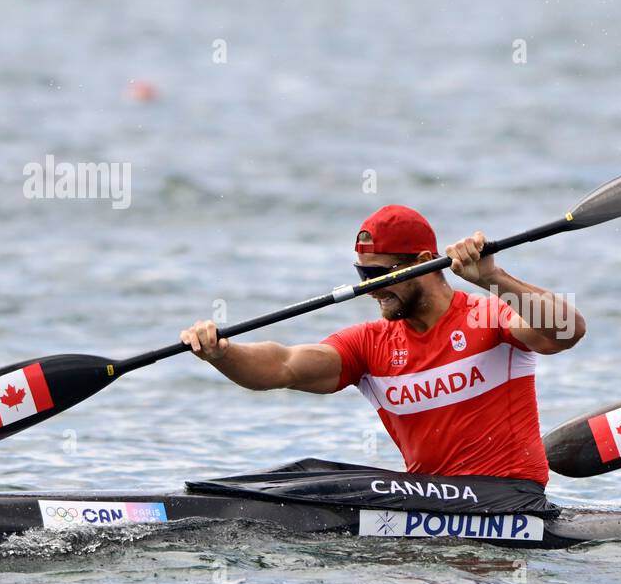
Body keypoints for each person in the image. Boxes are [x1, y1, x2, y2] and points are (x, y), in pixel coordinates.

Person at [179, 204, 585, 485]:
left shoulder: (486, 317)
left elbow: (567, 332)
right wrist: (223, 353)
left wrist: (492, 278)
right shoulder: (370, 345)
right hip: (431, 507)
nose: (371, 288)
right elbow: (283, 366)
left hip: (509, 501)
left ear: (422, 261)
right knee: (308, 473)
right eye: (362, 274)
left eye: (380, 274)